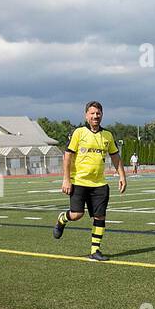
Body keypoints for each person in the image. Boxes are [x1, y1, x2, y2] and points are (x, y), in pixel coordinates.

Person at [53, 101, 127, 261]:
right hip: (78, 181)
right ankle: (62, 219)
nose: (95, 116)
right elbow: (67, 156)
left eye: (98, 113)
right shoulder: (78, 133)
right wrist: (66, 179)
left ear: (102, 115)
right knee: (77, 214)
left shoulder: (107, 135)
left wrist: (122, 176)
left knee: (100, 217)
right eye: (92, 113)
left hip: (99, 184)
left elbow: (115, 156)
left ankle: (95, 251)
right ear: (86, 115)